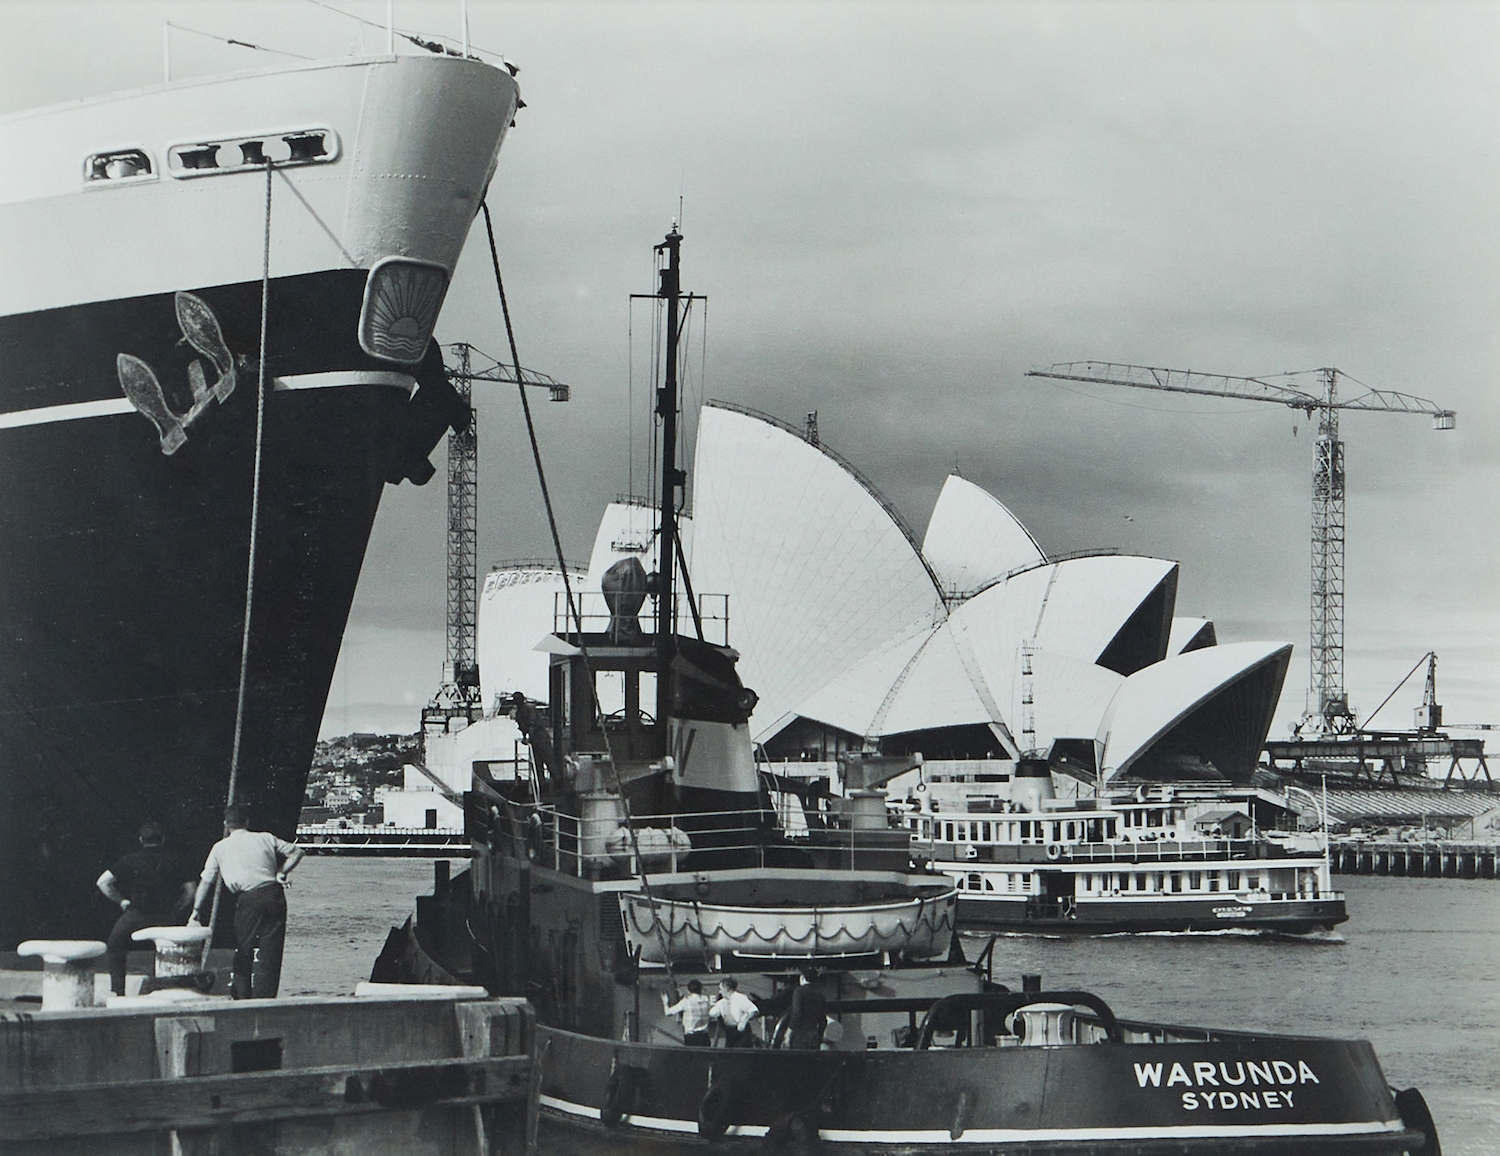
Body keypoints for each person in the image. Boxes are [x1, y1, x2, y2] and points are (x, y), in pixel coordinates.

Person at [188, 805, 304, 999]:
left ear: (226, 824)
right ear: (247, 822)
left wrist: (196, 910)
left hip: (248, 898)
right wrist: (281, 873)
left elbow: (206, 881)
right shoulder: (265, 837)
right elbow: (297, 852)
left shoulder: (220, 847)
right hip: (273, 894)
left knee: (244, 948)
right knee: (271, 951)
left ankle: (242, 997)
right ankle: (265, 998)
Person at [96, 821, 195, 996]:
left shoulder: (130, 859)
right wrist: (178, 907)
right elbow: (191, 890)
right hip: (165, 915)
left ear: (141, 840)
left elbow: (103, 882)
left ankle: (117, 991)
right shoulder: (175, 860)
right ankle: (166, 990)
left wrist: (121, 901)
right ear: (163, 839)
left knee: (114, 945)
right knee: (169, 949)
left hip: (136, 914)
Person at [709, 976, 760, 1048]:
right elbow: (712, 1013)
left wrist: (744, 1020)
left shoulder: (740, 998)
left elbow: (754, 1011)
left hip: (741, 1033)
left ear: (726, 988)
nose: (719, 991)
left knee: (742, 1055)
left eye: (720, 989)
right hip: (729, 1032)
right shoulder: (722, 1002)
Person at [662, 978, 712, 1046]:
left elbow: (668, 1013)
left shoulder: (685, 1002)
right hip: (704, 1037)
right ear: (700, 989)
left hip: (691, 1037)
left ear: (688, 990)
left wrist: (665, 1002)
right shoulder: (705, 1000)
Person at [787, 968, 828, 1050]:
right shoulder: (820, 995)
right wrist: (819, 1035)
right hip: (814, 1035)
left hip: (800, 1034)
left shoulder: (799, 991)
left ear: (802, 977)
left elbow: (797, 1013)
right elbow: (823, 1020)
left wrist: (789, 1031)